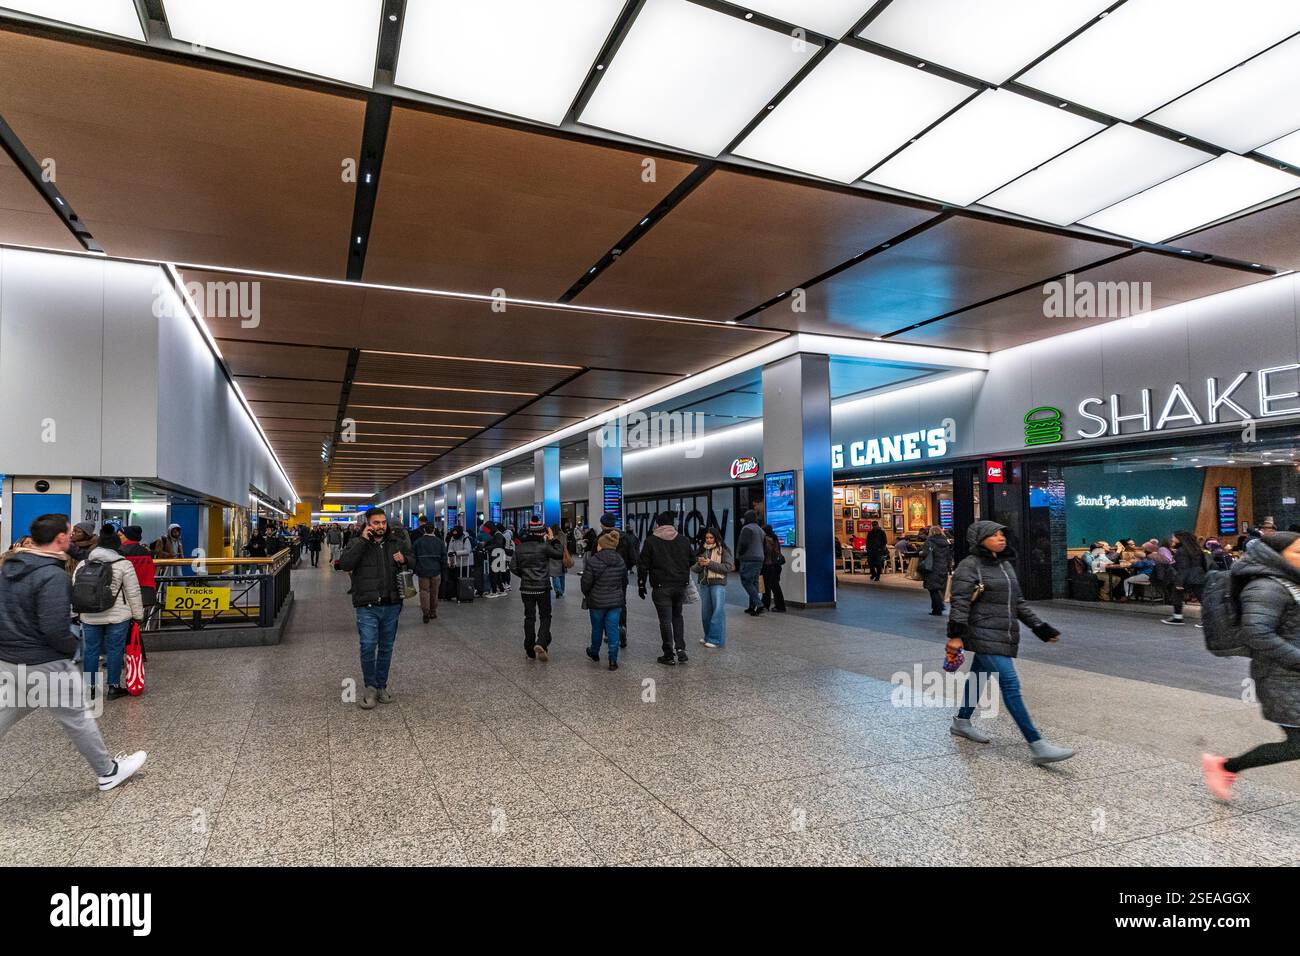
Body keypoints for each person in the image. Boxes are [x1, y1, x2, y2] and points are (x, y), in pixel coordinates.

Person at [0, 515, 147, 791]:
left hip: (9, 659)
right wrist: (73, 650)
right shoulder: (52, 576)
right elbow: (54, 627)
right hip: (44, 661)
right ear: (59, 538)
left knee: (7, 708)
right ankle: (108, 772)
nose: (71, 537)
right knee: (77, 718)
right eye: (68, 533)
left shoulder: (9, 568)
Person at [946, 520, 1074, 765]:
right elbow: (960, 603)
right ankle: (1037, 745)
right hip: (982, 633)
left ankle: (961, 722)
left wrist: (1040, 628)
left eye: (1001, 534)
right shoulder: (969, 566)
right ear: (979, 540)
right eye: (993, 535)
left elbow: (1018, 603)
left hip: (1002, 632)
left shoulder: (1004, 564)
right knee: (1011, 684)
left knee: (979, 676)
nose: (1000, 538)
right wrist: (955, 635)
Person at [1203, 532, 1300, 801]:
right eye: (1298, 552)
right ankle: (1224, 766)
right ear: (1276, 556)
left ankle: (1225, 766)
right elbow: (1257, 634)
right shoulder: (1266, 587)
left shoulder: (1291, 583)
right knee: (1298, 745)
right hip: (1282, 679)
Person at [336, 507, 413, 709]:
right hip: (367, 605)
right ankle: (370, 686)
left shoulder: (396, 542)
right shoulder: (356, 542)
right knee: (369, 646)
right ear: (368, 523)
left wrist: (404, 559)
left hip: (392, 604)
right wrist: (362, 541)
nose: (380, 526)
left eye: (383, 522)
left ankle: (381, 686)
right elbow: (344, 564)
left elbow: (415, 561)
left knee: (386, 648)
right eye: (376, 523)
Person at [76, 528, 144, 701]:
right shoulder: (123, 564)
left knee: (90, 651)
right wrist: (138, 615)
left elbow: (76, 591)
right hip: (117, 616)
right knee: (115, 650)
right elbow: (133, 592)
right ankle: (113, 687)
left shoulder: (83, 564)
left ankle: (90, 688)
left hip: (89, 615)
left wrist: (75, 613)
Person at [638, 511, 694, 666]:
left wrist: (641, 583)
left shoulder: (651, 541)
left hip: (661, 586)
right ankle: (681, 649)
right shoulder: (684, 540)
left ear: (658, 524)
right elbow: (692, 560)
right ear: (672, 525)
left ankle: (668, 653)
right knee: (678, 616)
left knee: (665, 620)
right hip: (680, 586)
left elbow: (643, 565)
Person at [511, 517, 562, 661]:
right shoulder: (544, 547)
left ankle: (529, 649)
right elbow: (559, 554)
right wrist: (553, 539)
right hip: (543, 587)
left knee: (529, 618)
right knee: (545, 616)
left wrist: (525, 576)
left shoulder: (519, 548)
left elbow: (512, 567)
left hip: (526, 588)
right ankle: (541, 642)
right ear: (542, 533)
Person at [581, 529, 627, 670]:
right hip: (615, 602)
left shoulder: (593, 561)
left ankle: (594, 652)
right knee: (613, 630)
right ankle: (613, 661)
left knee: (597, 629)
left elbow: (586, 583)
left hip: (597, 602)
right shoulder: (620, 560)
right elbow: (623, 581)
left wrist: (588, 594)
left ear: (601, 545)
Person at [601, 513, 638, 650]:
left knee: (605, 603)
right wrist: (625, 568)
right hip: (621, 576)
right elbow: (634, 558)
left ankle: (609, 633)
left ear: (603, 524)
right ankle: (622, 627)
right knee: (621, 603)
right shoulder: (626, 538)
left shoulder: (601, 538)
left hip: (604, 577)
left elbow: (594, 557)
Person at [695, 527, 735, 648]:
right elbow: (693, 568)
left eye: (711, 537)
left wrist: (710, 563)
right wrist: (700, 564)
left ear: (716, 538)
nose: (708, 540)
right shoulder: (702, 550)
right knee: (705, 612)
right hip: (704, 583)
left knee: (717, 611)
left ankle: (715, 639)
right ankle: (708, 636)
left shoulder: (723, 551)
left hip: (718, 583)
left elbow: (728, 567)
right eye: (706, 538)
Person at [1162, 529, 1208, 626]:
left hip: (1188, 577)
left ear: (1180, 538)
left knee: (1177, 595)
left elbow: (1183, 568)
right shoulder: (1196, 548)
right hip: (1199, 576)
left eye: (1173, 537)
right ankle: (1208, 620)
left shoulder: (1182, 551)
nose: (1172, 539)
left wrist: (1179, 582)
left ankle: (1178, 617)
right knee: (1203, 599)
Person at [412, 524, 446, 623]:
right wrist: (443, 569)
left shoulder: (418, 542)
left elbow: (413, 556)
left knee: (424, 591)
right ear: (434, 530)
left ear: (424, 530)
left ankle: (425, 613)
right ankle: (433, 612)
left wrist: (414, 569)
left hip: (422, 571)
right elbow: (444, 557)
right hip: (436, 570)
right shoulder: (439, 542)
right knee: (434, 592)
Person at [737, 509, 766, 616]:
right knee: (754, 582)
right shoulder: (760, 530)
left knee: (746, 581)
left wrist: (740, 554)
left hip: (749, 558)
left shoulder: (747, 528)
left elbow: (744, 544)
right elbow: (764, 546)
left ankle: (759, 604)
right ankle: (752, 607)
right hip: (760, 558)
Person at [918, 524, 952, 615]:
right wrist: (949, 568)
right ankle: (938, 607)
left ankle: (937, 608)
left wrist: (920, 553)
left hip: (932, 567)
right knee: (939, 588)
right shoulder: (946, 542)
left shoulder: (929, 541)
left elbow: (925, 553)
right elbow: (949, 557)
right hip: (943, 567)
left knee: (933, 589)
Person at [760, 524, 787, 613]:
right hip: (776, 566)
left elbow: (765, 553)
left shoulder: (766, 540)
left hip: (768, 566)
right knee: (775, 587)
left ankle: (765, 605)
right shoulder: (775, 538)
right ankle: (780, 606)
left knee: (767, 587)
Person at [548, 523, 570, 599]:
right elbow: (565, 546)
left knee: (555, 576)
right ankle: (562, 590)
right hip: (562, 557)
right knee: (562, 575)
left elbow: (548, 546)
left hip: (553, 557)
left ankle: (558, 591)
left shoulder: (552, 537)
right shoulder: (563, 535)